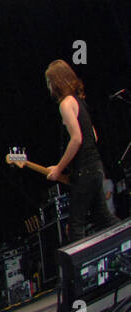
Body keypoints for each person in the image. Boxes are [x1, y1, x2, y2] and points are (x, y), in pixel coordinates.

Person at [45, 60, 118, 240]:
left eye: (49, 81)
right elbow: (93, 135)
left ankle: (77, 267)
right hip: (95, 166)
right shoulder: (79, 102)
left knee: (75, 227)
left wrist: (59, 168)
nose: (48, 86)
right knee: (104, 218)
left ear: (56, 81)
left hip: (85, 170)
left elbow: (77, 139)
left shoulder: (65, 104)